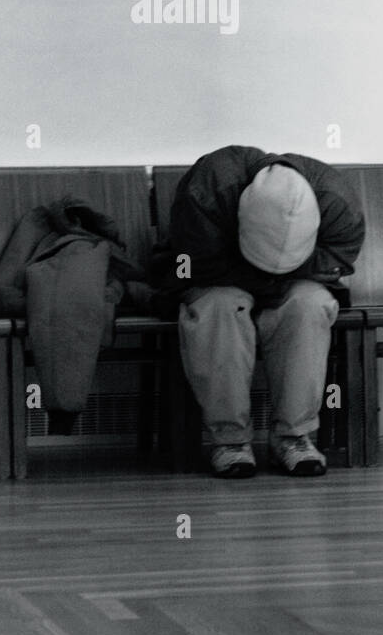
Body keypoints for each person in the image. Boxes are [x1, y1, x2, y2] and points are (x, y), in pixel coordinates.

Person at [154, 145, 365, 478]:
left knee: (309, 305)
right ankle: (230, 440)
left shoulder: (339, 204)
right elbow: (196, 262)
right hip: (214, 276)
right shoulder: (209, 187)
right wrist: (265, 280)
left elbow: (337, 262)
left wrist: (281, 277)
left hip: (299, 277)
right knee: (221, 307)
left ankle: (294, 437)